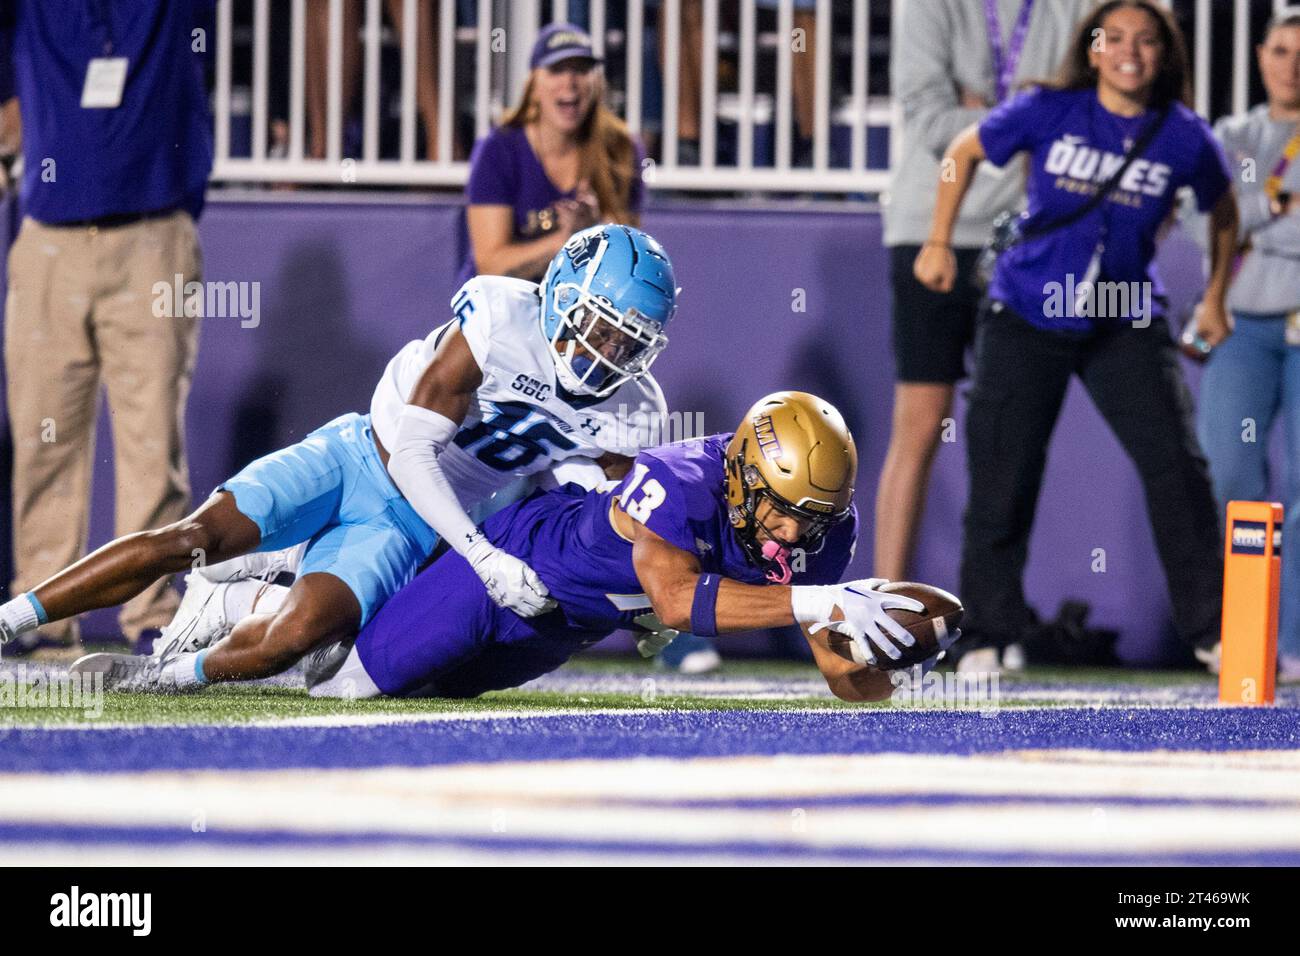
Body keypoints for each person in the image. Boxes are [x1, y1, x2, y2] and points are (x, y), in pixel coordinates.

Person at [1, 225, 677, 689]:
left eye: (627, 345)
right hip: (357, 457)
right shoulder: (501, 319)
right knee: (192, 538)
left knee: (297, 641)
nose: (604, 355)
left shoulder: (633, 407)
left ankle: (159, 675)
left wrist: (647, 601)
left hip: (408, 527)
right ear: (561, 295)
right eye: (598, 329)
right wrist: (483, 556)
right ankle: (11, 619)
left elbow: (613, 510)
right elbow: (414, 452)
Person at [88, 392, 946, 702]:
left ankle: (267, 600)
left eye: (814, 514)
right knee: (341, 685)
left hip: (559, 627)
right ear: (745, 472)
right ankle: (236, 600)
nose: (796, 531)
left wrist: (887, 659)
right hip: (512, 567)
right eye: (785, 507)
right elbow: (680, 601)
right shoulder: (686, 478)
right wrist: (822, 601)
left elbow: (838, 669)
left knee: (422, 695)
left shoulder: (821, 531)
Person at [913, 0, 1238, 667]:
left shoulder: (1183, 135)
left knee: (1177, 467)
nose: (1130, 51)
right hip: (1027, 309)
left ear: (1164, 55)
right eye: (1113, 38)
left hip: (1124, 317)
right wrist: (939, 240)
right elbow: (960, 151)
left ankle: (1215, 633)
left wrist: (1214, 298)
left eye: (1146, 41)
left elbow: (1224, 208)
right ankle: (989, 635)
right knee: (1003, 475)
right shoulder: (1048, 109)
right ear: (1091, 50)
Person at [0, 0, 212, 655]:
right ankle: (42, 607)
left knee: (153, 443)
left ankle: (149, 610)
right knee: (44, 436)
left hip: (153, 235)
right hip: (49, 242)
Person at [877, 0, 1092, 582]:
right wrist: (1026, 115)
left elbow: (1091, 115)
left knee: (1009, 433)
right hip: (928, 230)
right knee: (920, 424)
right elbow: (927, 121)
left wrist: (984, 114)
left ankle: (993, 618)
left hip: (1029, 235)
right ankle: (884, 608)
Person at [1187, 8, 1300, 678]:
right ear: (1260, 56)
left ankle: (1290, 645)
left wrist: (1255, 218)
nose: (1292, 63)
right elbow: (1203, 223)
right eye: (1282, 49)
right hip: (1242, 324)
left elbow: (1235, 221)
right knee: (1232, 475)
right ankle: (1241, 638)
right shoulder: (1233, 136)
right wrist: (1271, 213)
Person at [462, 23, 642, 284]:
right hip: (499, 308)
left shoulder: (621, 148)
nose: (569, 82)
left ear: (597, 82)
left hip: (580, 311)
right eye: (556, 69)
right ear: (534, 85)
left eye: (581, 70)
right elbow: (490, 265)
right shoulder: (498, 150)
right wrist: (570, 240)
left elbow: (629, 263)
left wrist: (599, 229)